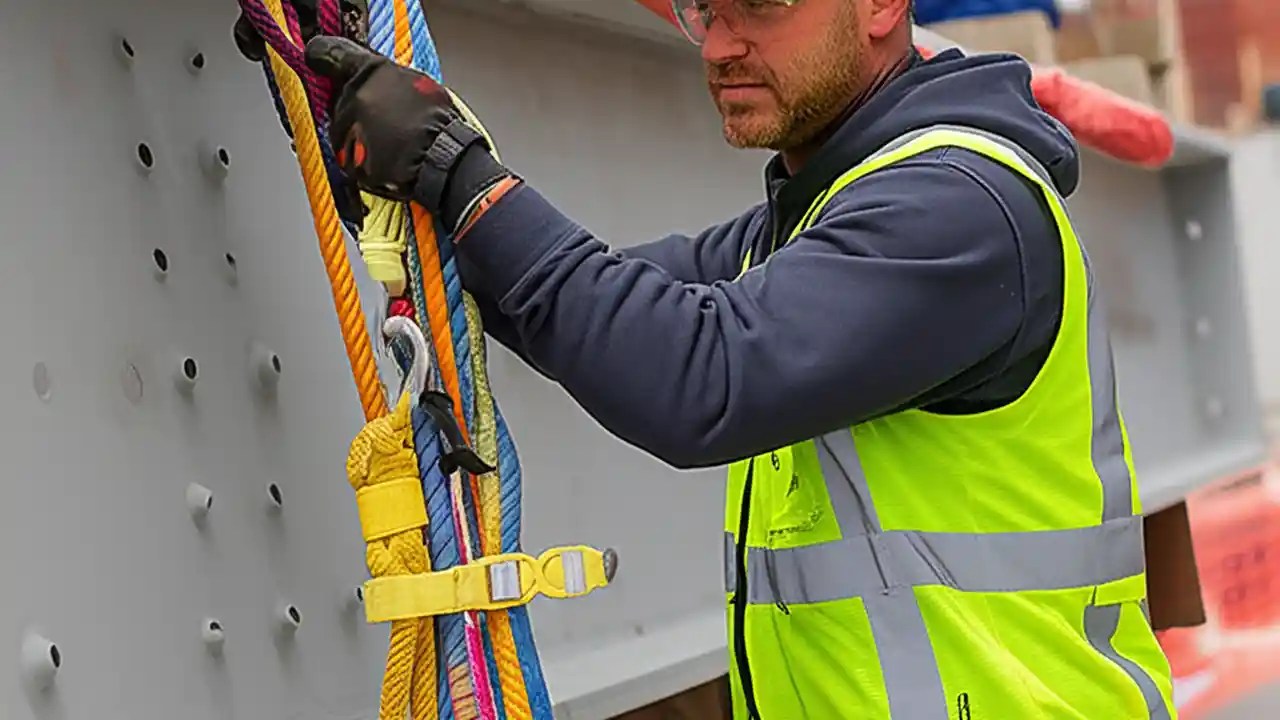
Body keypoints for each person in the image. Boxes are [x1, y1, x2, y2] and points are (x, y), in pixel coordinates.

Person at [243, 0, 1179, 715]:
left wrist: (460, 172)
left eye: (762, 4)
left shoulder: (958, 210)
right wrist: (380, 162)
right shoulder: (821, 215)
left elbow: (698, 377)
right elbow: (584, 306)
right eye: (704, 7)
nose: (722, 42)